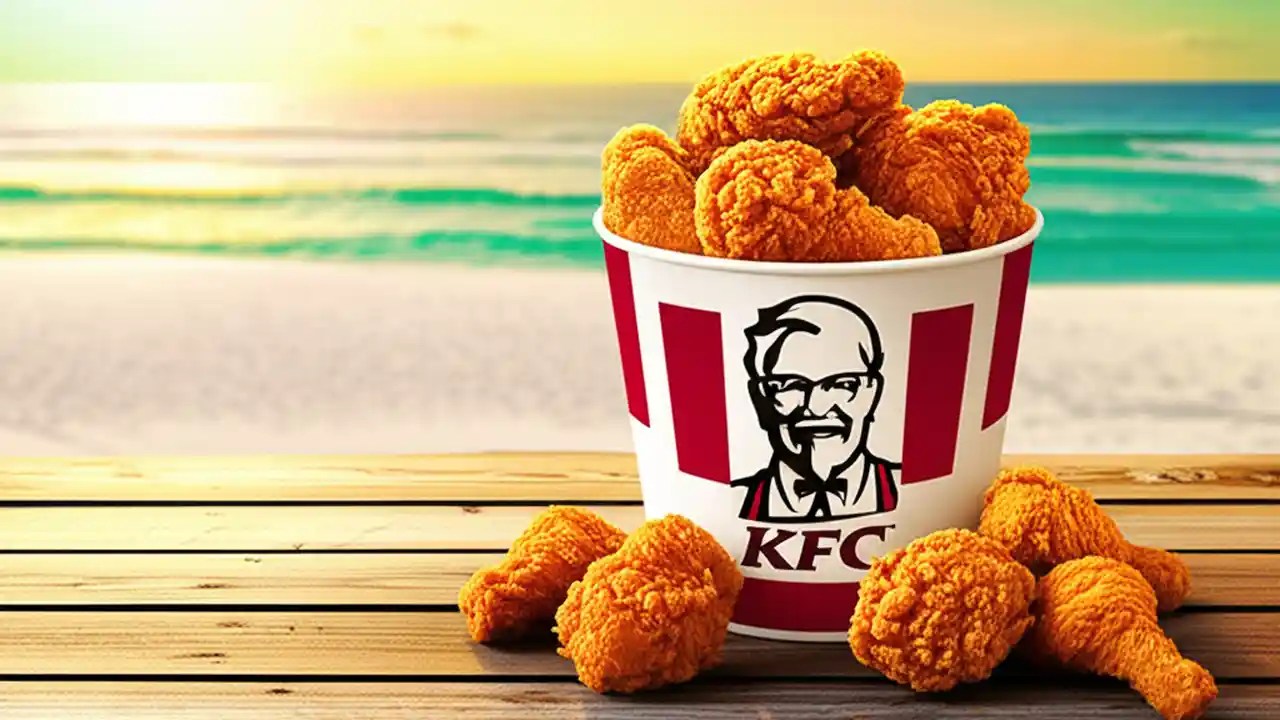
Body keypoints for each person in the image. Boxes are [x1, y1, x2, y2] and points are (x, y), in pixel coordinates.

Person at [734, 295, 899, 523]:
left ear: (871, 394)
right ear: (760, 399)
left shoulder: (920, 491)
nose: (817, 407)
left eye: (844, 384)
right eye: (790, 385)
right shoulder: (730, 499)